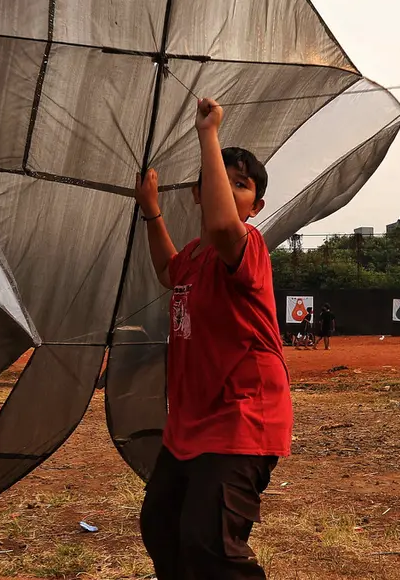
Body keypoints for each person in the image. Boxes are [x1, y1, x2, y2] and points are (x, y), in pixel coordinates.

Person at [135, 96, 291, 580]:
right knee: (160, 526)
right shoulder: (196, 255)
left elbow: (225, 225)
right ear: (199, 192)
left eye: (238, 184)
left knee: (210, 547)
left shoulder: (247, 246)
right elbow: (166, 270)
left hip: (242, 418)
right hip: (190, 424)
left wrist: (209, 134)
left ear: (255, 205)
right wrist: (151, 211)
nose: (226, 189)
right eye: (217, 181)